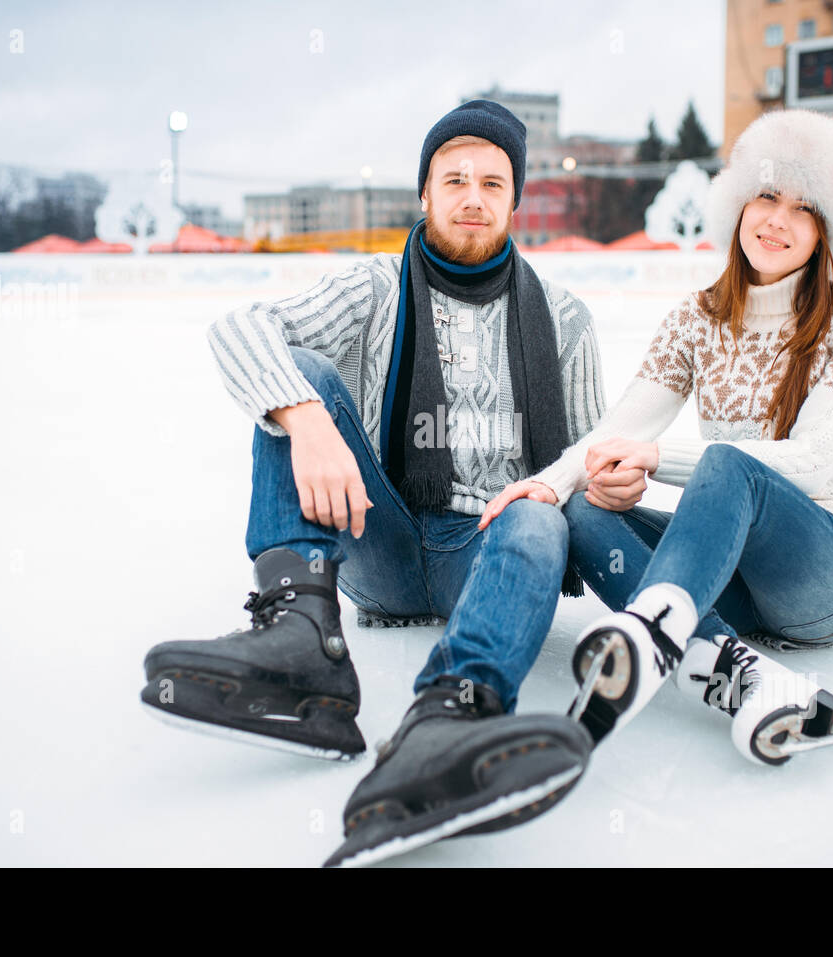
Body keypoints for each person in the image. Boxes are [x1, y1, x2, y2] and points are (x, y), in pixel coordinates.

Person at [139, 100, 605, 865]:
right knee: (303, 376)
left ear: (516, 200)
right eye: (452, 178)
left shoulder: (566, 318)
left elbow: (583, 461)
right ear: (423, 195)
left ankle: (449, 716)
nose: (472, 196)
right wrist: (310, 420)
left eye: (493, 182)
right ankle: (299, 646)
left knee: (543, 514)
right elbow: (240, 328)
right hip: (378, 534)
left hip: (484, 556)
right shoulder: (377, 287)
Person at [480, 108, 833, 765]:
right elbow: (620, 429)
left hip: (831, 574)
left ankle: (652, 635)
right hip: (740, 578)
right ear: (737, 205)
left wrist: (658, 458)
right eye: (765, 196)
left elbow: (813, 465)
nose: (776, 220)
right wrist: (548, 483)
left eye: (803, 208)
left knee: (728, 466)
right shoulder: (697, 319)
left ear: (826, 231)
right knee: (587, 506)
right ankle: (738, 672)